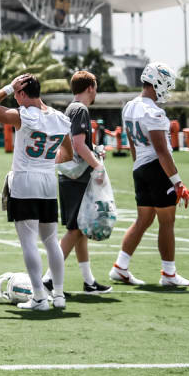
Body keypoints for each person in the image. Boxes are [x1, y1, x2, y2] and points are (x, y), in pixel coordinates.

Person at [0, 73, 73, 311]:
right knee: (51, 241)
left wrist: (8, 88)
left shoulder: (24, 114)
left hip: (25, 180)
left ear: (22, 93)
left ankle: (39, 296)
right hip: (48, 180)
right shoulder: (60, 118)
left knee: (29, 242)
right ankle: (58, 295)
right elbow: (68, 154)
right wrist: (46, 161)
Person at [110, 62, 189, 287]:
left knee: (144, 219)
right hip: (156, 169)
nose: (166, 90)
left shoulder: (129, 107)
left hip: (140, 166)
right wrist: (177, 182)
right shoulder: (153, 112)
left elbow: (131, 142)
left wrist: (137, 166)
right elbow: (162, 151)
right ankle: (169, 274)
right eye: (166, 85)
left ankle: (120, 267)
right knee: (167, 221)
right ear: (157, 82)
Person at [43, 71, 113, 295]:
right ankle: (48, 279)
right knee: (74, 229)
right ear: (90, 87)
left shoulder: (72, 108)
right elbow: (79, 144)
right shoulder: (80, 109)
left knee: (80, 229)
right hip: (75, 177)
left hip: (70, 175)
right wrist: (97, 165)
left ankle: (88, 281)